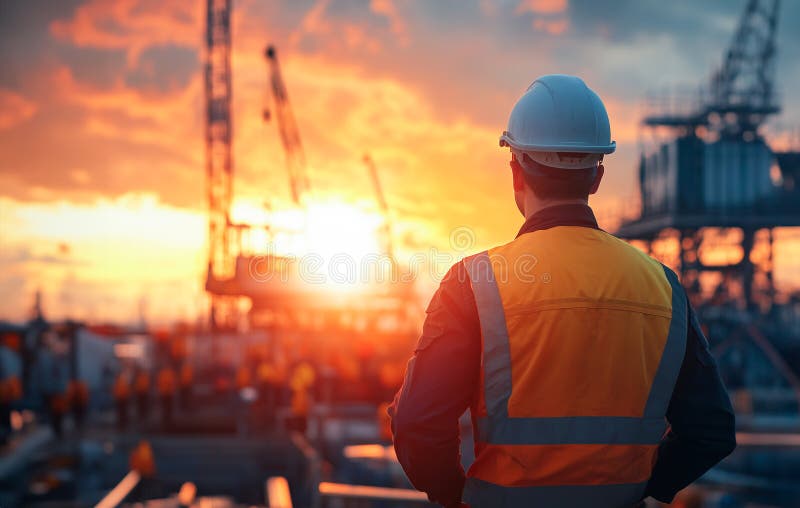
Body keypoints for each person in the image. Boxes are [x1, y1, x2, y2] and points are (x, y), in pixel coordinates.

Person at [388, 75, 736, 508]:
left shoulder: (473, 283)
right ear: (598, 177)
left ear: (515, 171)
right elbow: (712, 430)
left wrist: (453, 494)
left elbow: (417, 424)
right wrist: (646, 486)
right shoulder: (663, 288)